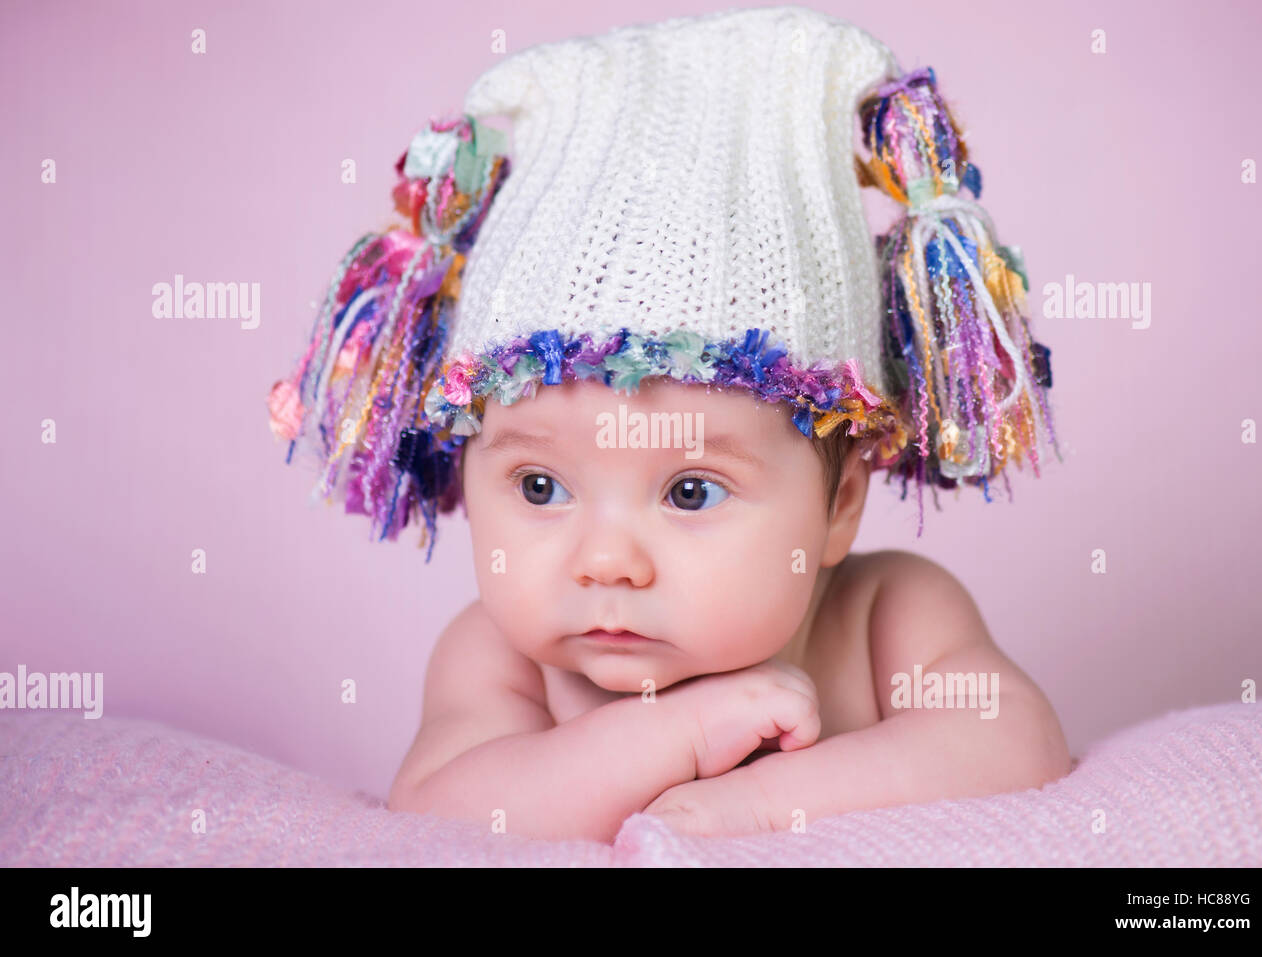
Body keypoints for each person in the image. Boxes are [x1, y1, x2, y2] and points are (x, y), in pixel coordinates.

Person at [268, 5, 1070, 843]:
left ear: (838, 508)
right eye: (540, 485)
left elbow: (1014, 737)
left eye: (690, 490)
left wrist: (762, 803)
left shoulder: (885, 615)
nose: (607, 560)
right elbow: (443, 808)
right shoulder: (502, 659)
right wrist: (673, 736)